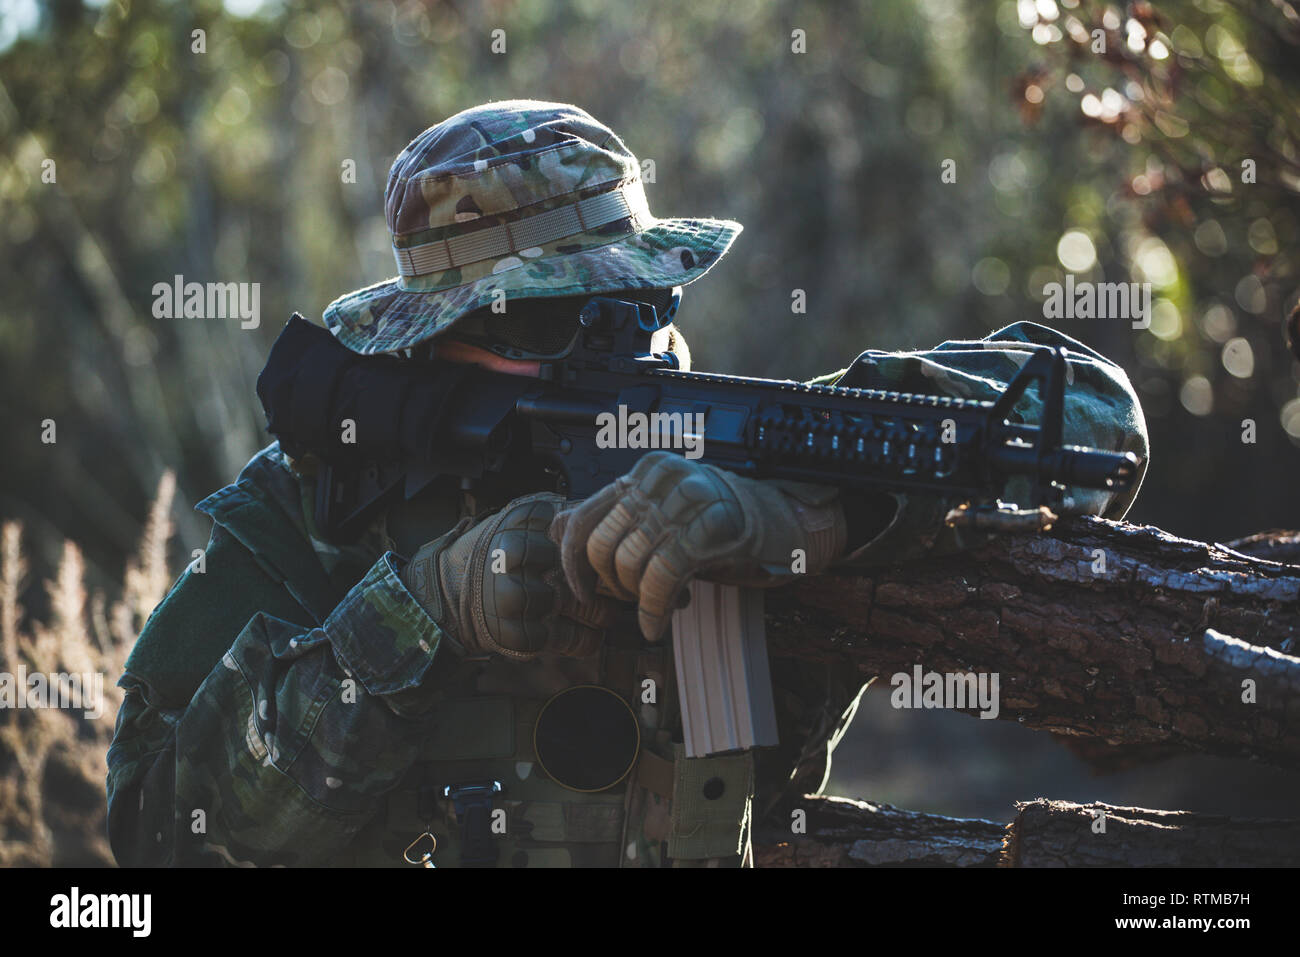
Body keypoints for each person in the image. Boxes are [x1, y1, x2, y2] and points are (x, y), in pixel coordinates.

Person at [106, 100, 1148, 868]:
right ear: (440, 344)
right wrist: (422, 609)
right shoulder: (318, 506)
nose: (625, 344)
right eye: (558, 318)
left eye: (642, 299)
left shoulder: (747, 444)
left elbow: (1094, 424)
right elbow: (155, 840)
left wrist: (800, 518)